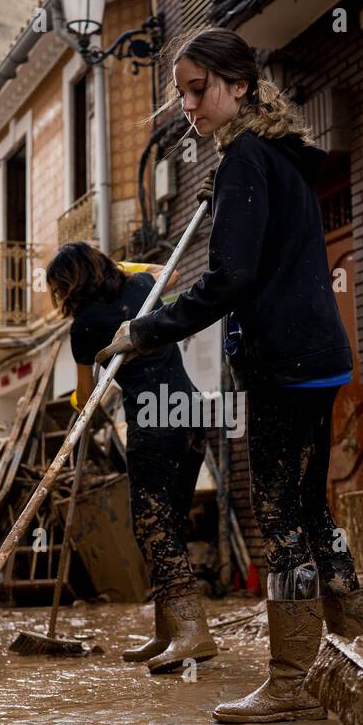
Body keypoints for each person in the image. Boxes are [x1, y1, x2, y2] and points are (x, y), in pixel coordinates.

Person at [96, 28, 363, 722]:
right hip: (322, 356)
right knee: (313, 508)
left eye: (199, 89)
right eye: (182, 93)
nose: (189, 105)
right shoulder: (285, 160)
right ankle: (354, 648)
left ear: (239, 85)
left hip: (283, 363)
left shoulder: (247, 160)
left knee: (278, 512)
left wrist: (144, 330)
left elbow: (229, 279)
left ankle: (289, 682)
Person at [50, 242, 217, 673]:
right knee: (172, 522)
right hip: (193, 412)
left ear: (68, 285)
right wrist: (121, 268)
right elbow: (172, 273)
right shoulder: (144, 285)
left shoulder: (85, 325)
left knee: (152, 526)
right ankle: (167, 633)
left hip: (154, 421)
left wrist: (76, 401)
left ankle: (191, 633)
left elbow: (88, 396)